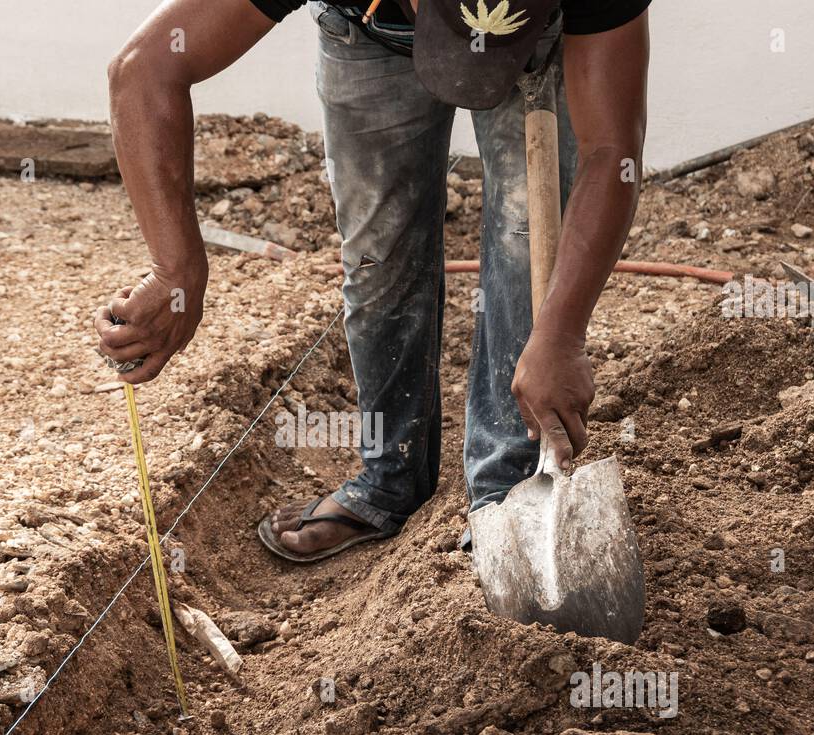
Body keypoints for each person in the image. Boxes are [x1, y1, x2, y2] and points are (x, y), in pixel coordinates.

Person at [96, 0, 650, 562]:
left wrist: (562, 336)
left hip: (531, 47)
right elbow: (143, 69)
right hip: (367, 31)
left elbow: (612, 151)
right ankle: (390, 477)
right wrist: (175, 269)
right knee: (377, 259)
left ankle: (504, 499)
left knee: (526, 244)